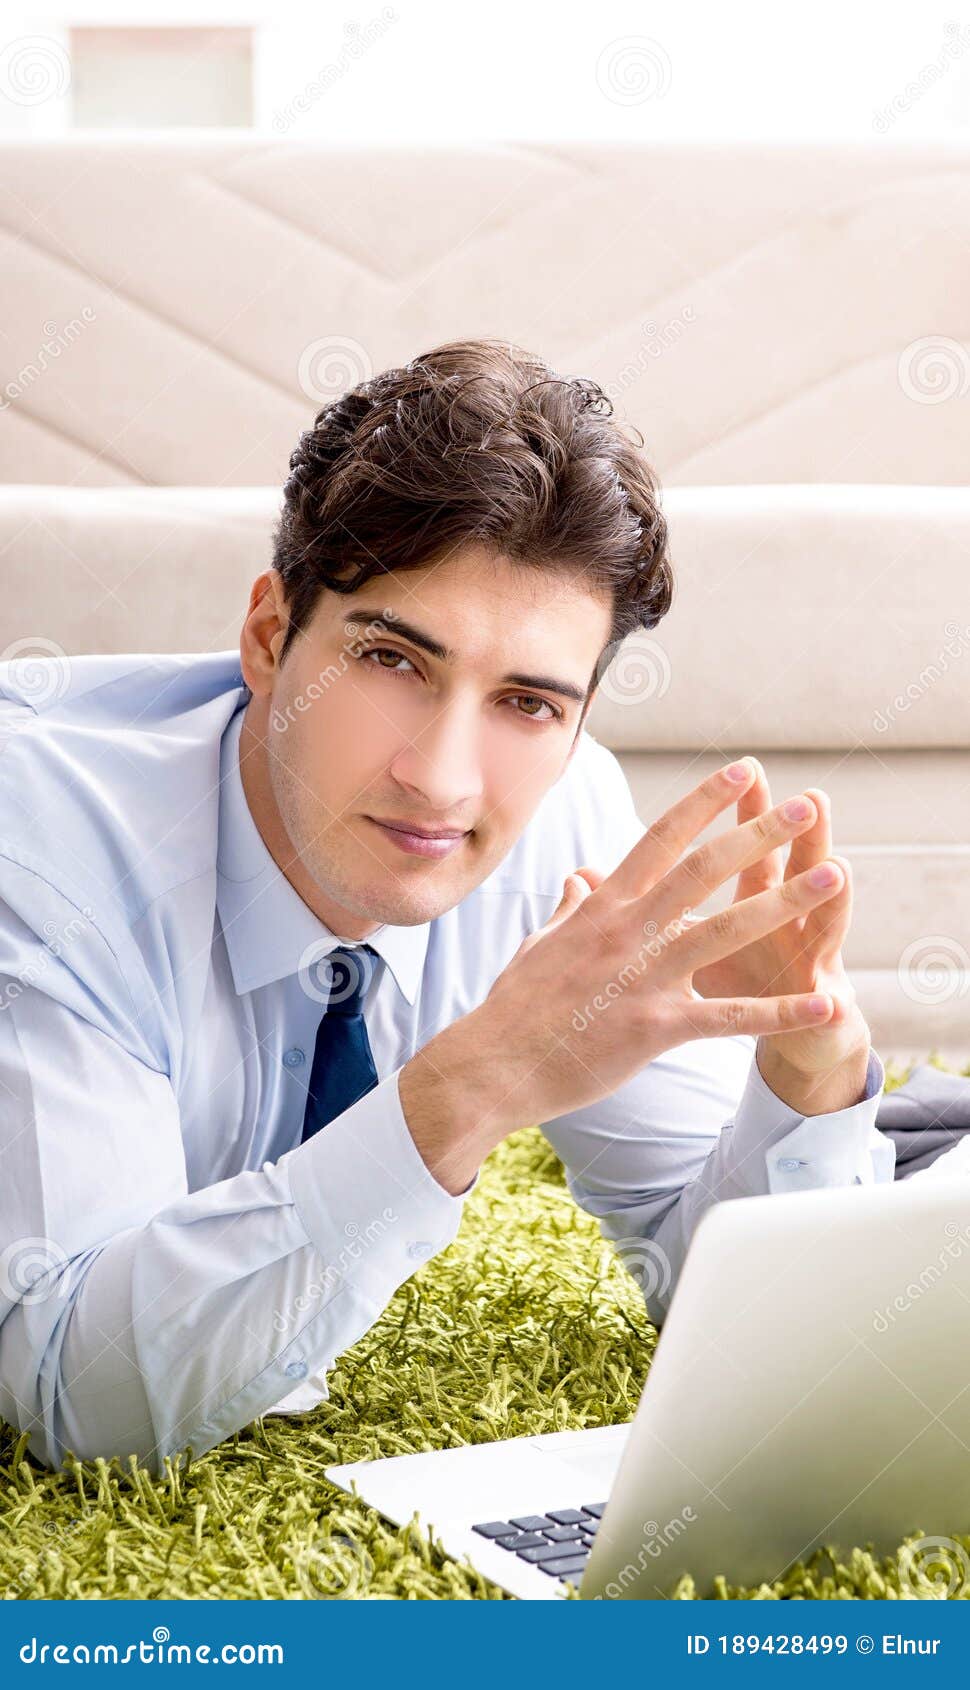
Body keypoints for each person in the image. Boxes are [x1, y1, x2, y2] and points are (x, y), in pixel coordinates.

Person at [0, 339, 891, 1479]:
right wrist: (475, 1086)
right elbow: (68, 1393)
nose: (443, 780)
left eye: (526, 701)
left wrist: (809, 1073)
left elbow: (725, 1289)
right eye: (390, 659)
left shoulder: (561, 828)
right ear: (271, 637)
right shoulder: (49, 855)